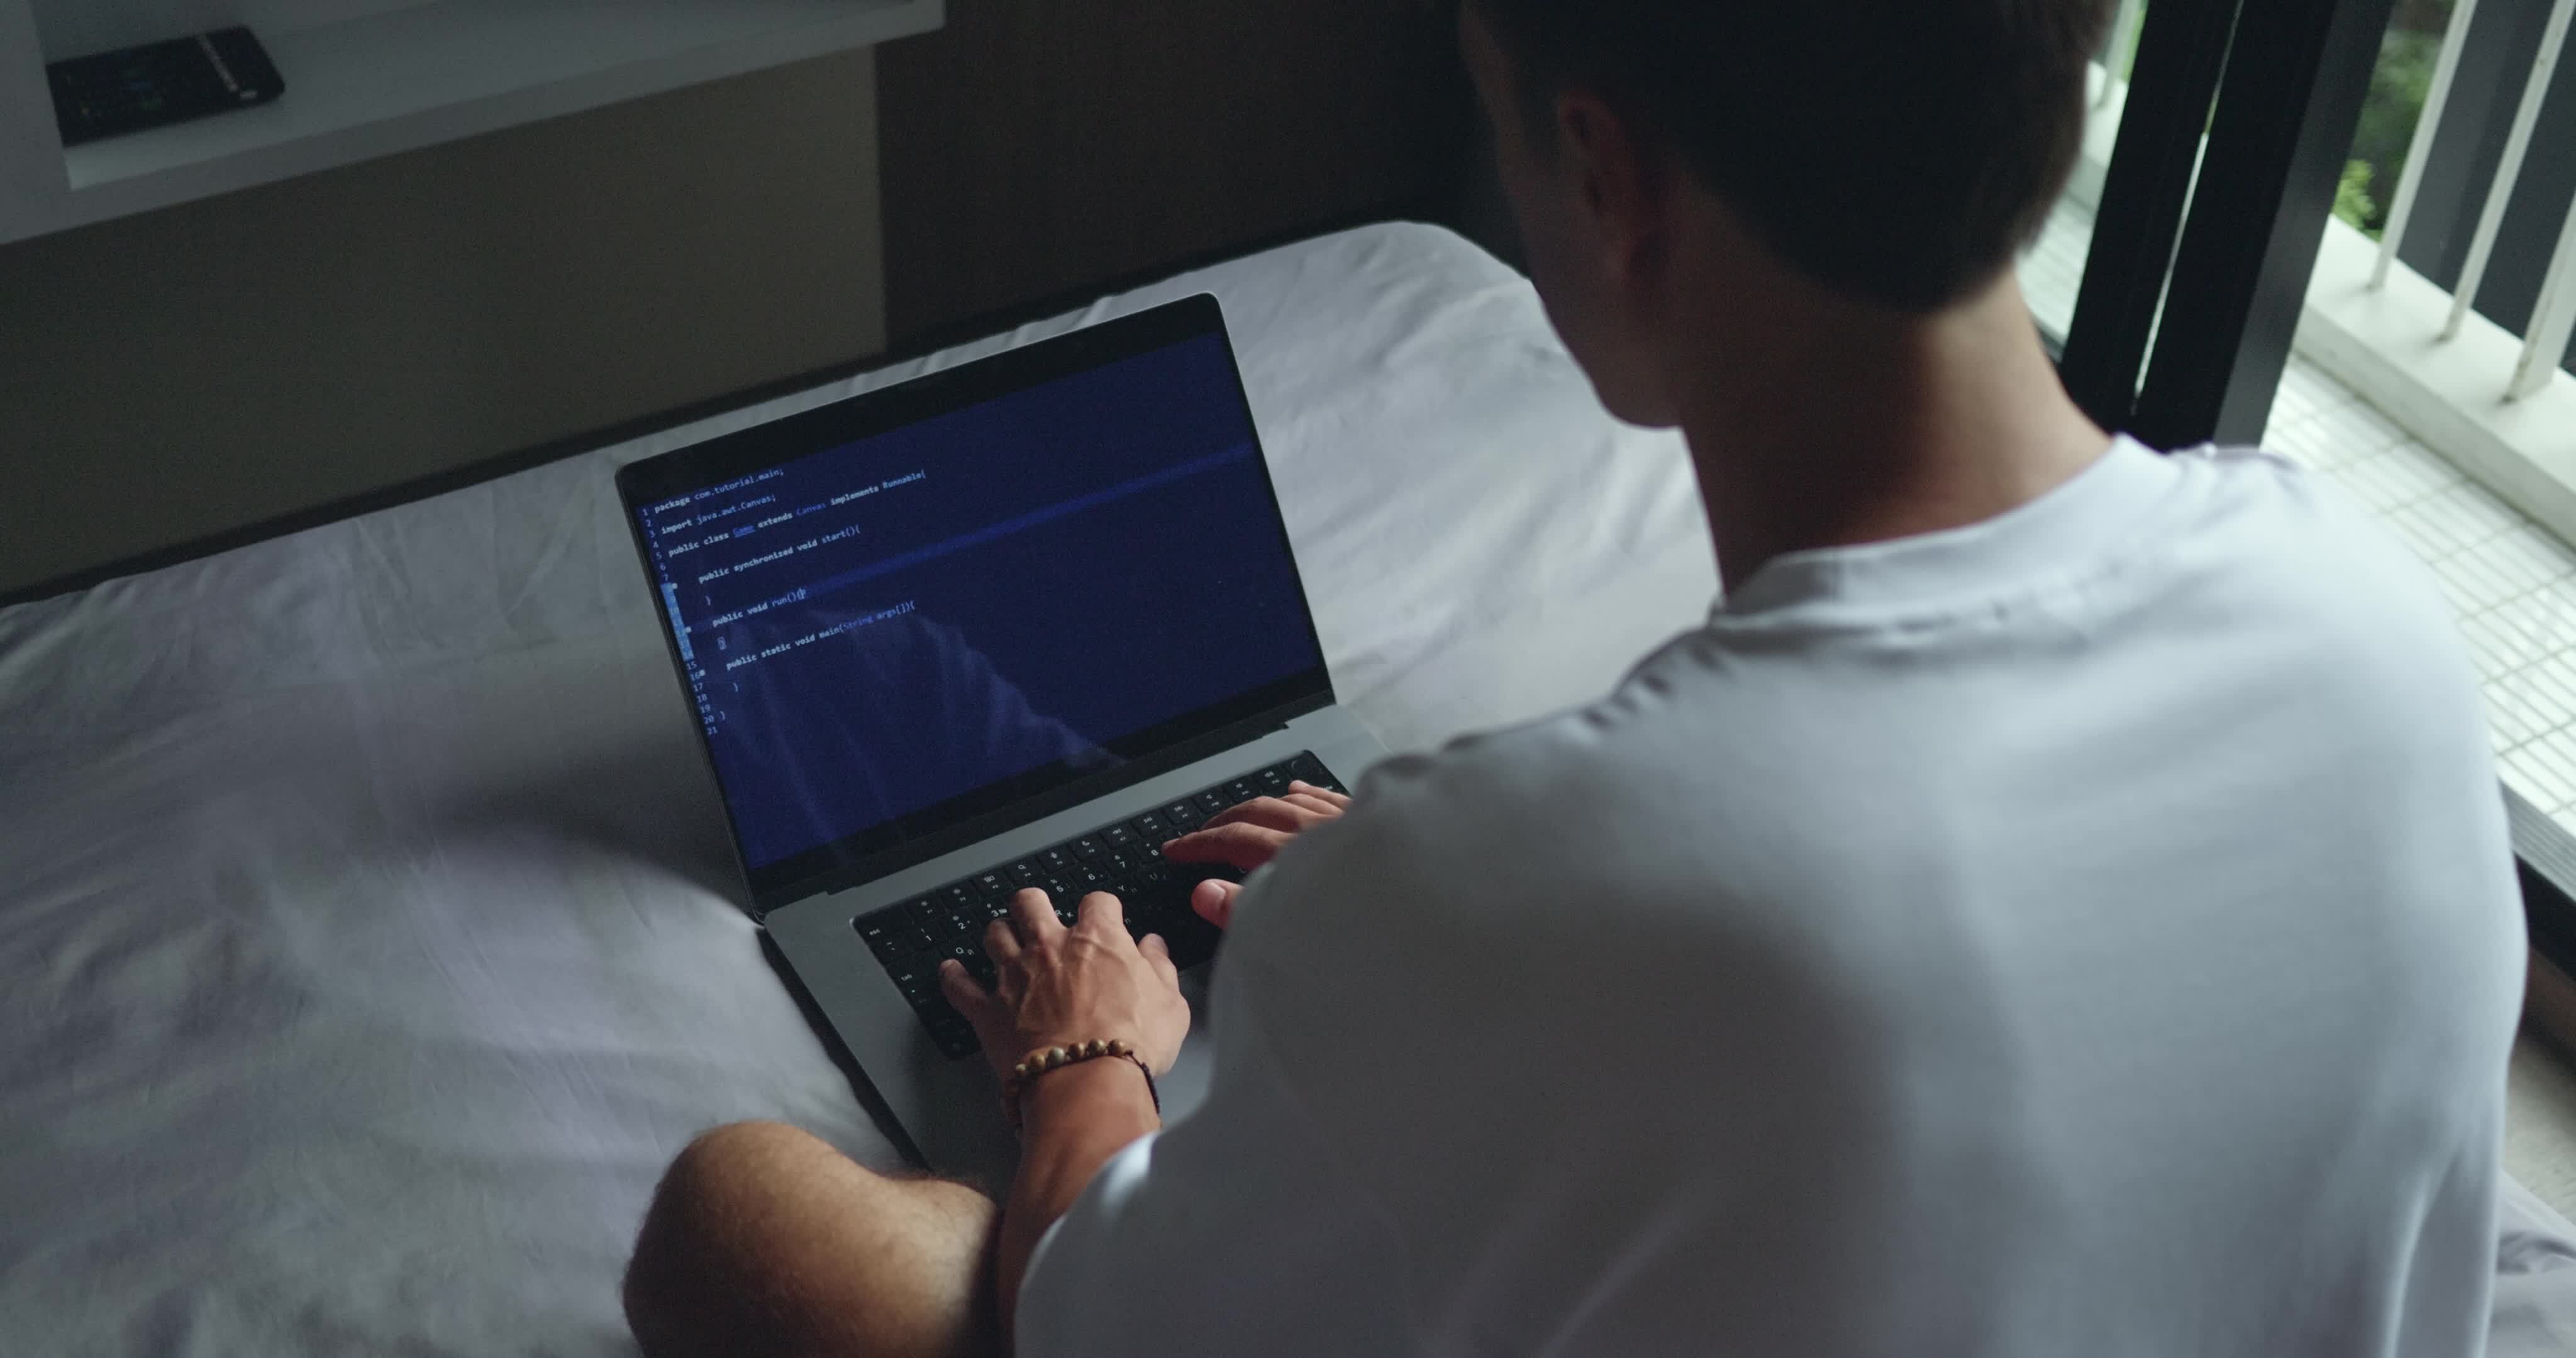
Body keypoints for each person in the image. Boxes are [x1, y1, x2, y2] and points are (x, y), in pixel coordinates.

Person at [619, 0, 2529, 1352]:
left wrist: (1082, 1061)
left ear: (1604, 171)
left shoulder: (1529, 876)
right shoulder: (2373, 628)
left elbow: (1089, 1318)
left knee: (743, 1217)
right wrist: (1450, 960)